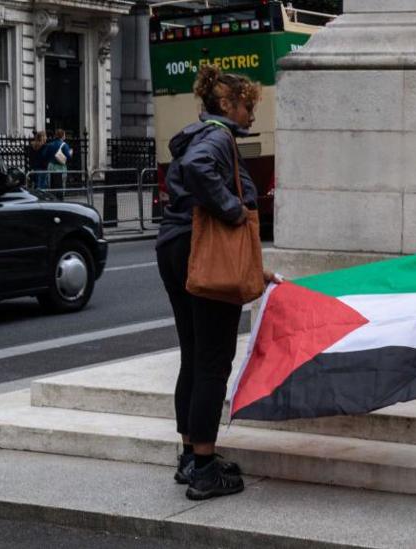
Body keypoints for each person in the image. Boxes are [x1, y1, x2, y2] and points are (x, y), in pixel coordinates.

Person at [156, 64, 278, 500]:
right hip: (200, 248)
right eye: (248, 106)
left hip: (174, 246)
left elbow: (187, 172)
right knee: (212, 360)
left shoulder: (195, 133)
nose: (251, 116)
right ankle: (205, 469)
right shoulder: (217, 137)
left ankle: (190, 453)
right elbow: (199, 169)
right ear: (227, 104)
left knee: (193, 355)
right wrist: (231, 210)